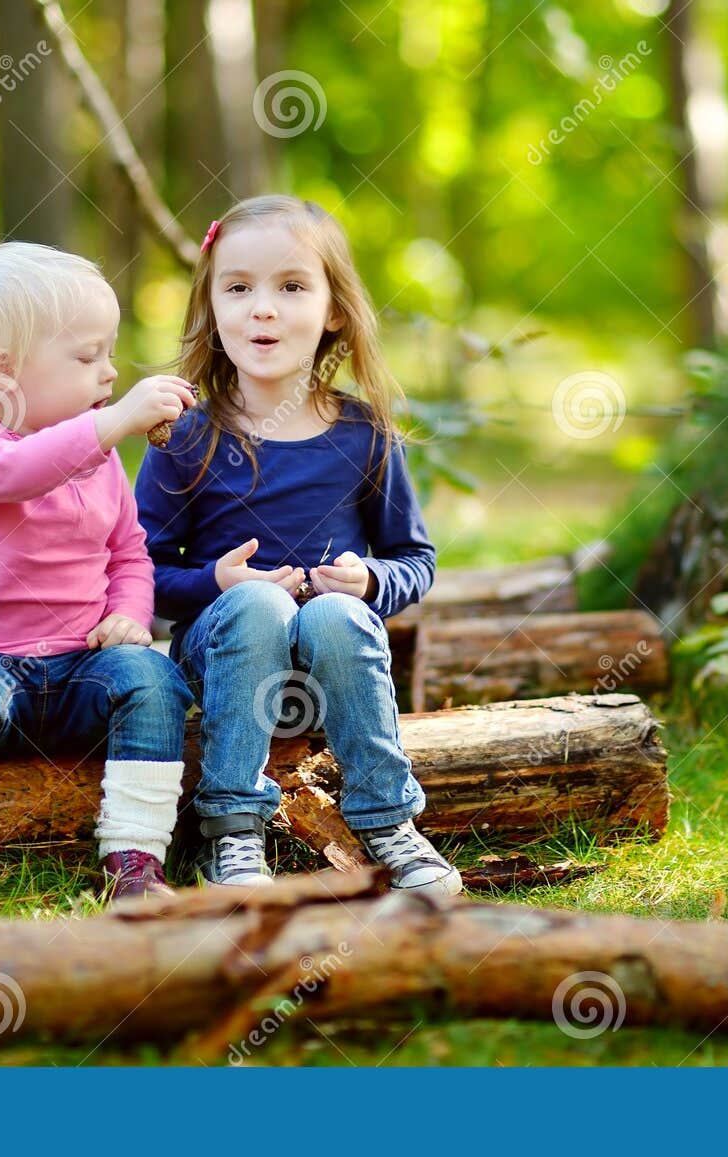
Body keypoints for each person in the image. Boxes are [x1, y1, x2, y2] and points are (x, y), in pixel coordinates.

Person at [135, 195, 460, 897]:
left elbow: (415, 559)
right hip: (225, 653)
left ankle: (387, 821)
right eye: (239, 286)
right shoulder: (185, 433)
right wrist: (217, 585)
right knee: (257, 606)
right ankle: (234, 828)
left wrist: (370, 581)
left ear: (334, 308)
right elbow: (141, 570)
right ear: (211, 305)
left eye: (290, 287)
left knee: (335, 616)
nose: (262, 309)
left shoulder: (363, 433)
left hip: (330, 662)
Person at [0, 241, 197, 916]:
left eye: (109, 353)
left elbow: (129, 554)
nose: (109, 373)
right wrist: (112, 425)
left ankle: (135, 858)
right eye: (87, 357)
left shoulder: (103, 461)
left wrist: (131, 615)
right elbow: (21, 474)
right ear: (5, 372)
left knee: (154, 678)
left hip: (82, 670)